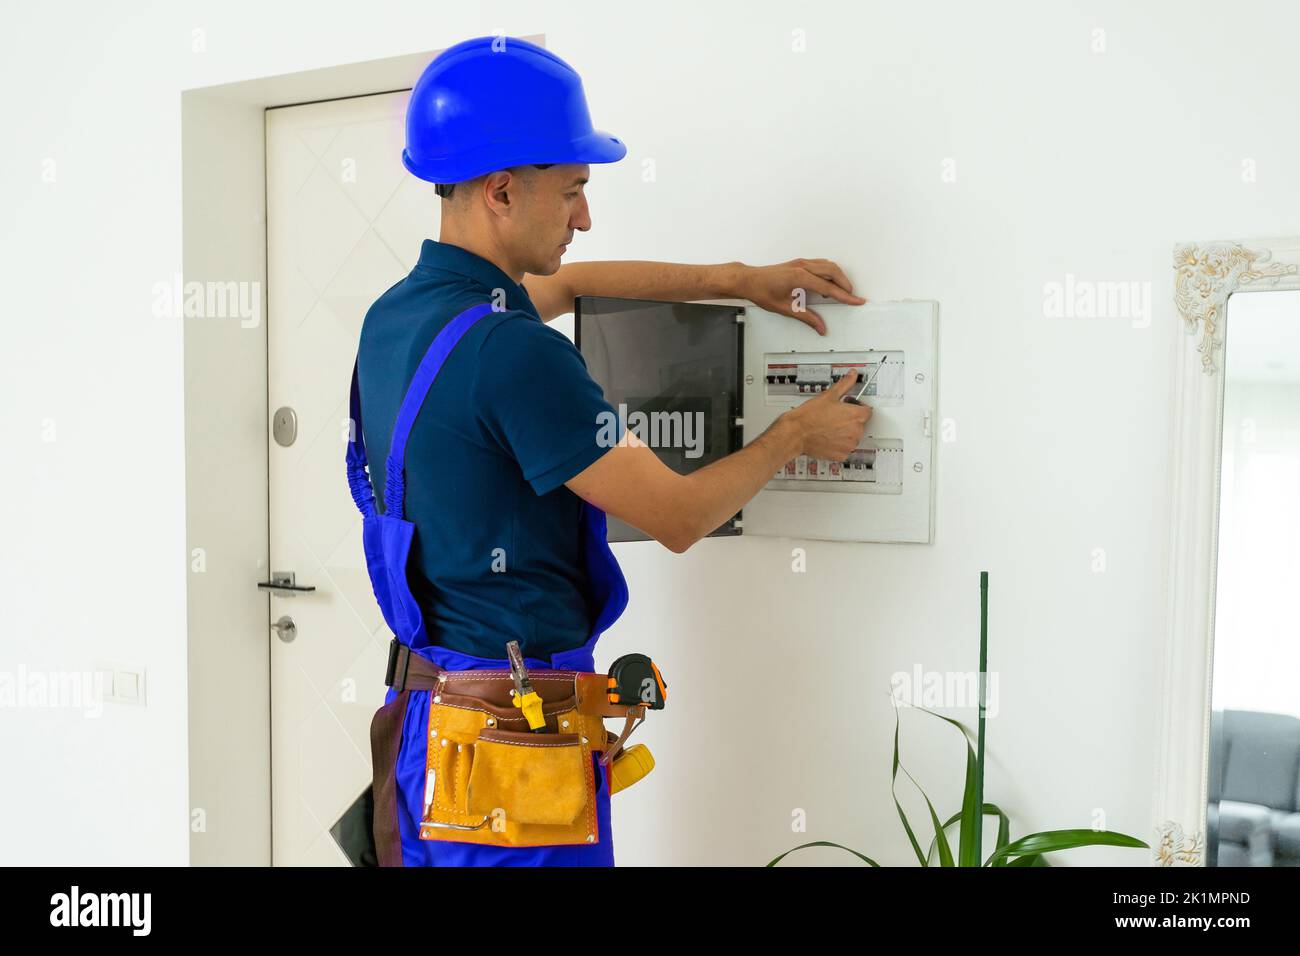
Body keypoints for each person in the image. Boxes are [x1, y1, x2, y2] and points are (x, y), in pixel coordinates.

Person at [348, 34, 872, 866]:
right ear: (502, 190)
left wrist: (742, 280)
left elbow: (578, 283)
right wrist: (796, 433)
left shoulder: (401, 318)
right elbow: (678, 514)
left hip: (429, 738)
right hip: (515, 758)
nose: (584, 219)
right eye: (574, 191)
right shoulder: (516, 353)